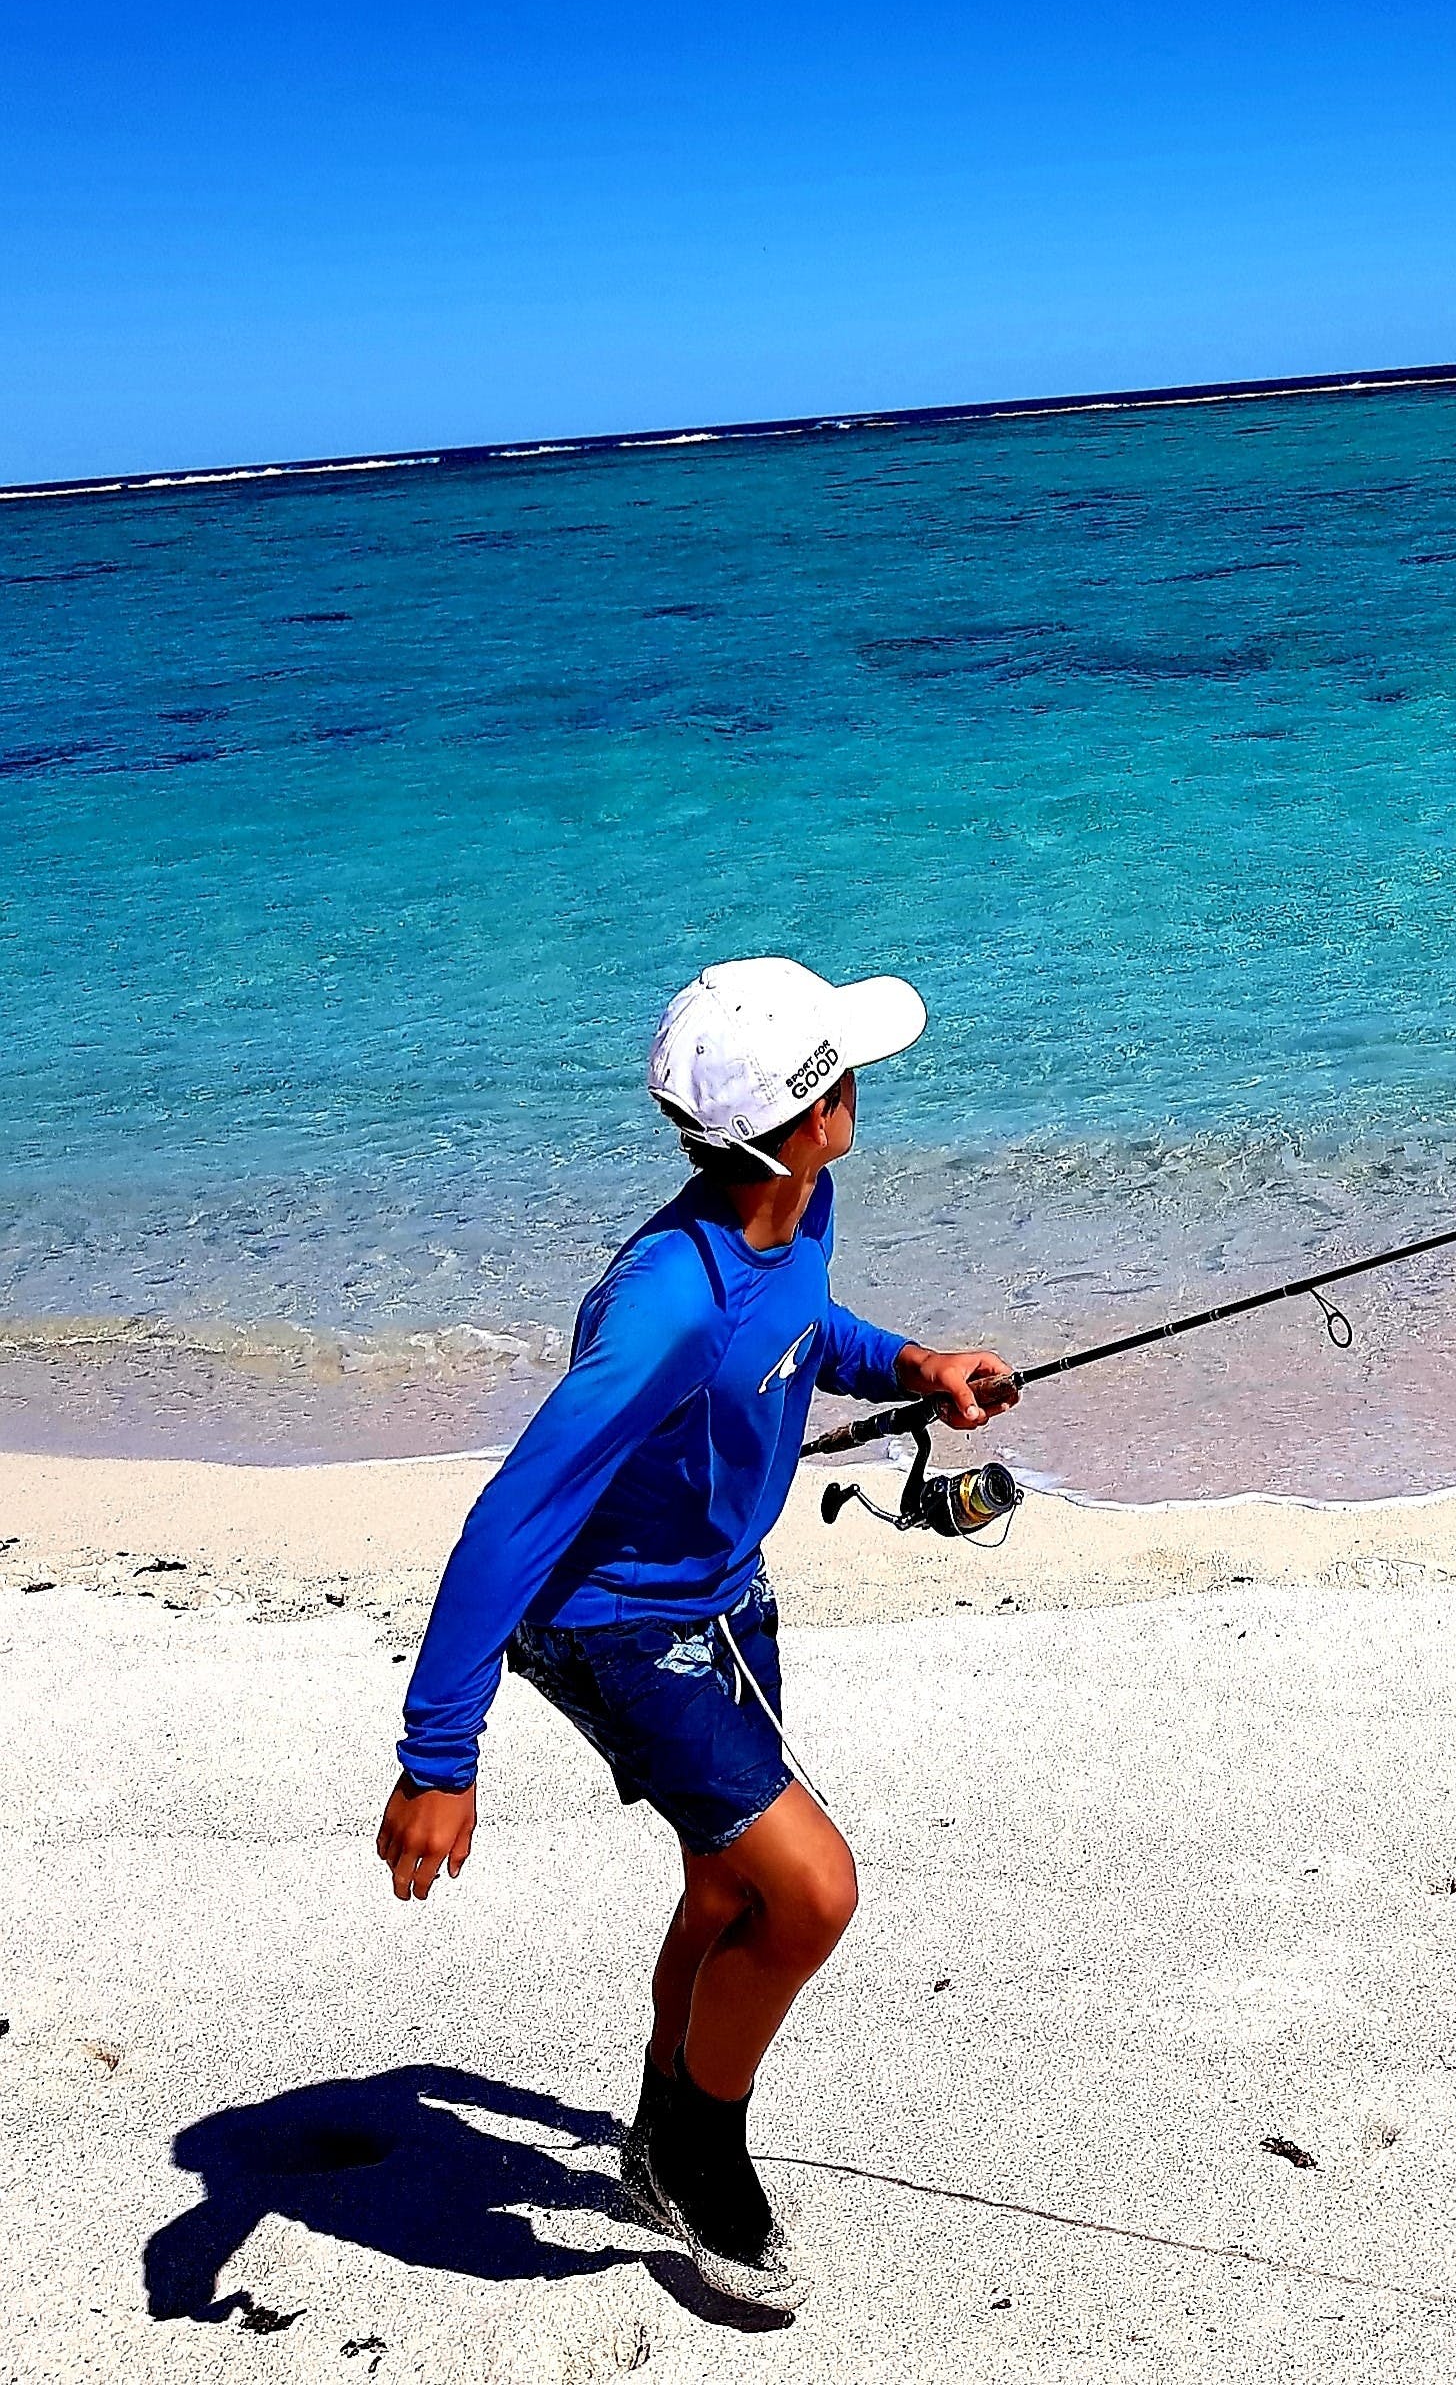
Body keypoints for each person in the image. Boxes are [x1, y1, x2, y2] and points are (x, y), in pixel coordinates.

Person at [374, 958, 1015, 2311]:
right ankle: (698, 2149)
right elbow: (512, 1517)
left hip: (723, 1591)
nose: (860, 1086)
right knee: (811, 1891)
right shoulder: (666, 1299)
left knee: (728, 1885)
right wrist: (438, 1756)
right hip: (613, 1621)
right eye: (844, 1071)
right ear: (807, 1114)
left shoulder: (801, 1205)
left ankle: (662, 2136)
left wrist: (907, 1365)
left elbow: (796, 1328)